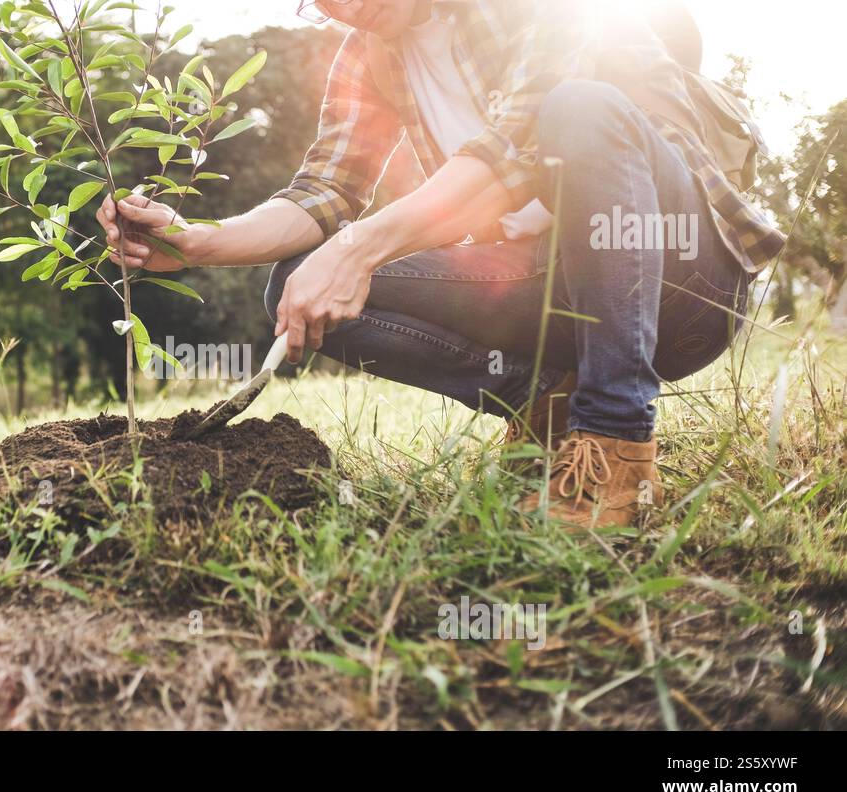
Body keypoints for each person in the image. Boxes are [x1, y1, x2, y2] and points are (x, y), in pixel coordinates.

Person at [95, 0, 785, 528]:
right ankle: (544, 402)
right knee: (299, 287)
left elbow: (506, 161)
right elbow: (325, 191)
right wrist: (197, 241)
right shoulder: (367, 55)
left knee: (581, 109)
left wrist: (359, 247)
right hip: (551, 289)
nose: (345, 7)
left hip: (679, 282)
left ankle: (613, 446)